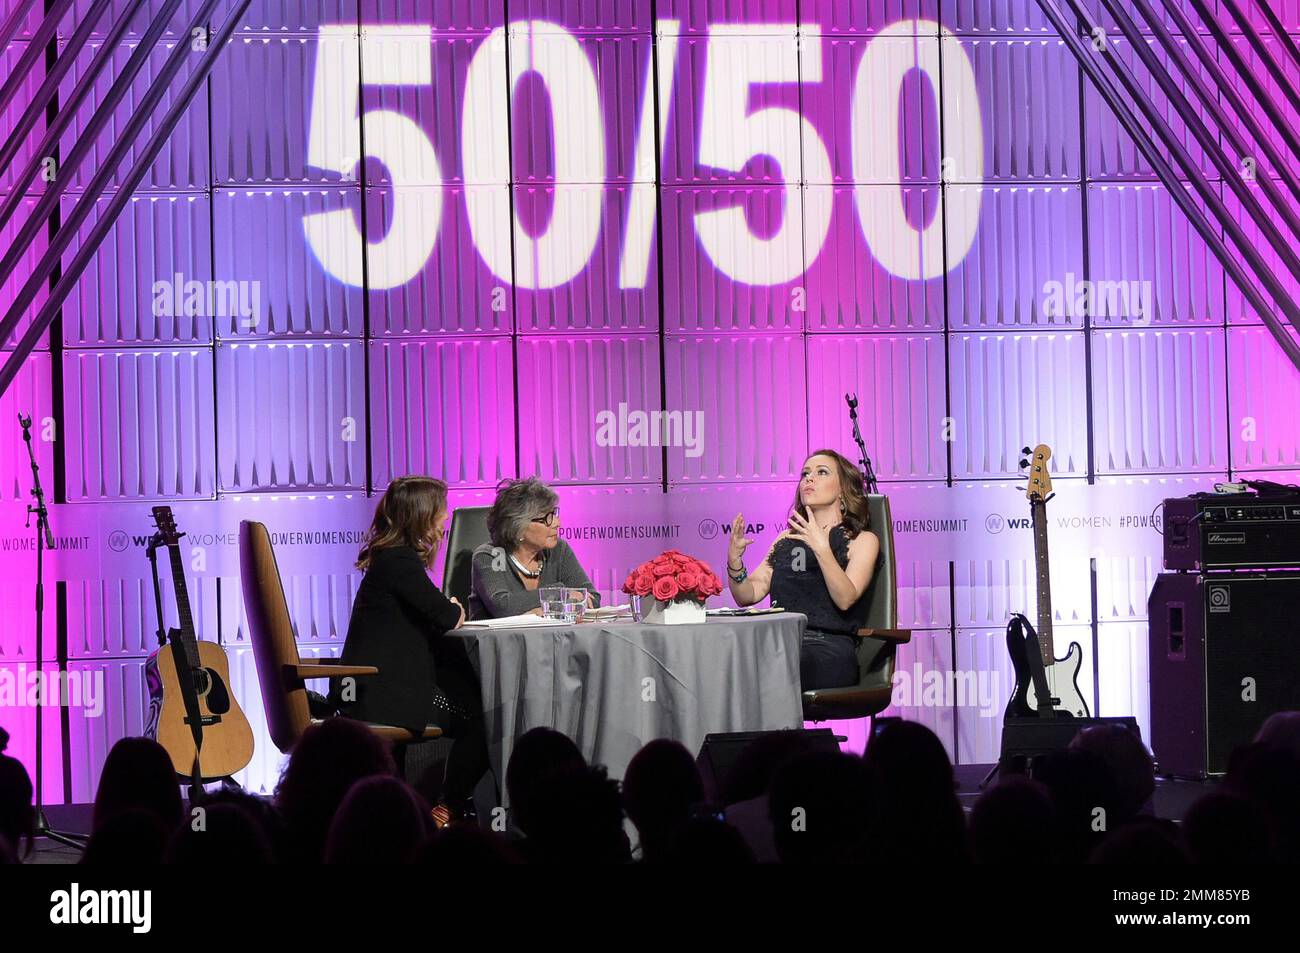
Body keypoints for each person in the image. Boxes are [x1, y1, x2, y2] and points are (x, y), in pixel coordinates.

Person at [332, 475, 489, 823]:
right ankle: (447, 807)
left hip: (384, 685)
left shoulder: (391, 559)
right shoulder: (399, 562)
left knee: (469, 695)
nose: (446, 517)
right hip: (384, 692)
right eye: (441, 510)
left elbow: (430, 615)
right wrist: (453, 609)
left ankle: (434, 808)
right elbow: (446, 615)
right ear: (423, 514)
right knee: (483, 720)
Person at [725, 449, 880, 690]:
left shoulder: (862, 540)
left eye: (822, 472)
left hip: (828, 648)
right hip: (781, 642)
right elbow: (747, 595)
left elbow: (845, 599)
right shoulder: (785, 539)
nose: (809, 478)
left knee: (774, 667)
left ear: (843, 489)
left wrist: (822, 547)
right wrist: (735, 561)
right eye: (805, 473)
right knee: (730, 663)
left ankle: (780, 728)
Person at [469, 477, 601, 619]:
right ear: (518, 527)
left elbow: (592, 598)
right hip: (499, 640)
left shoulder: (558, 550)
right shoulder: (494, 555)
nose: (557, 523)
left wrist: (548, 608)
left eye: (554, 514)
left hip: (549, 638)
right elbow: (503, 606)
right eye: (547, 518)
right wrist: (560, 593)